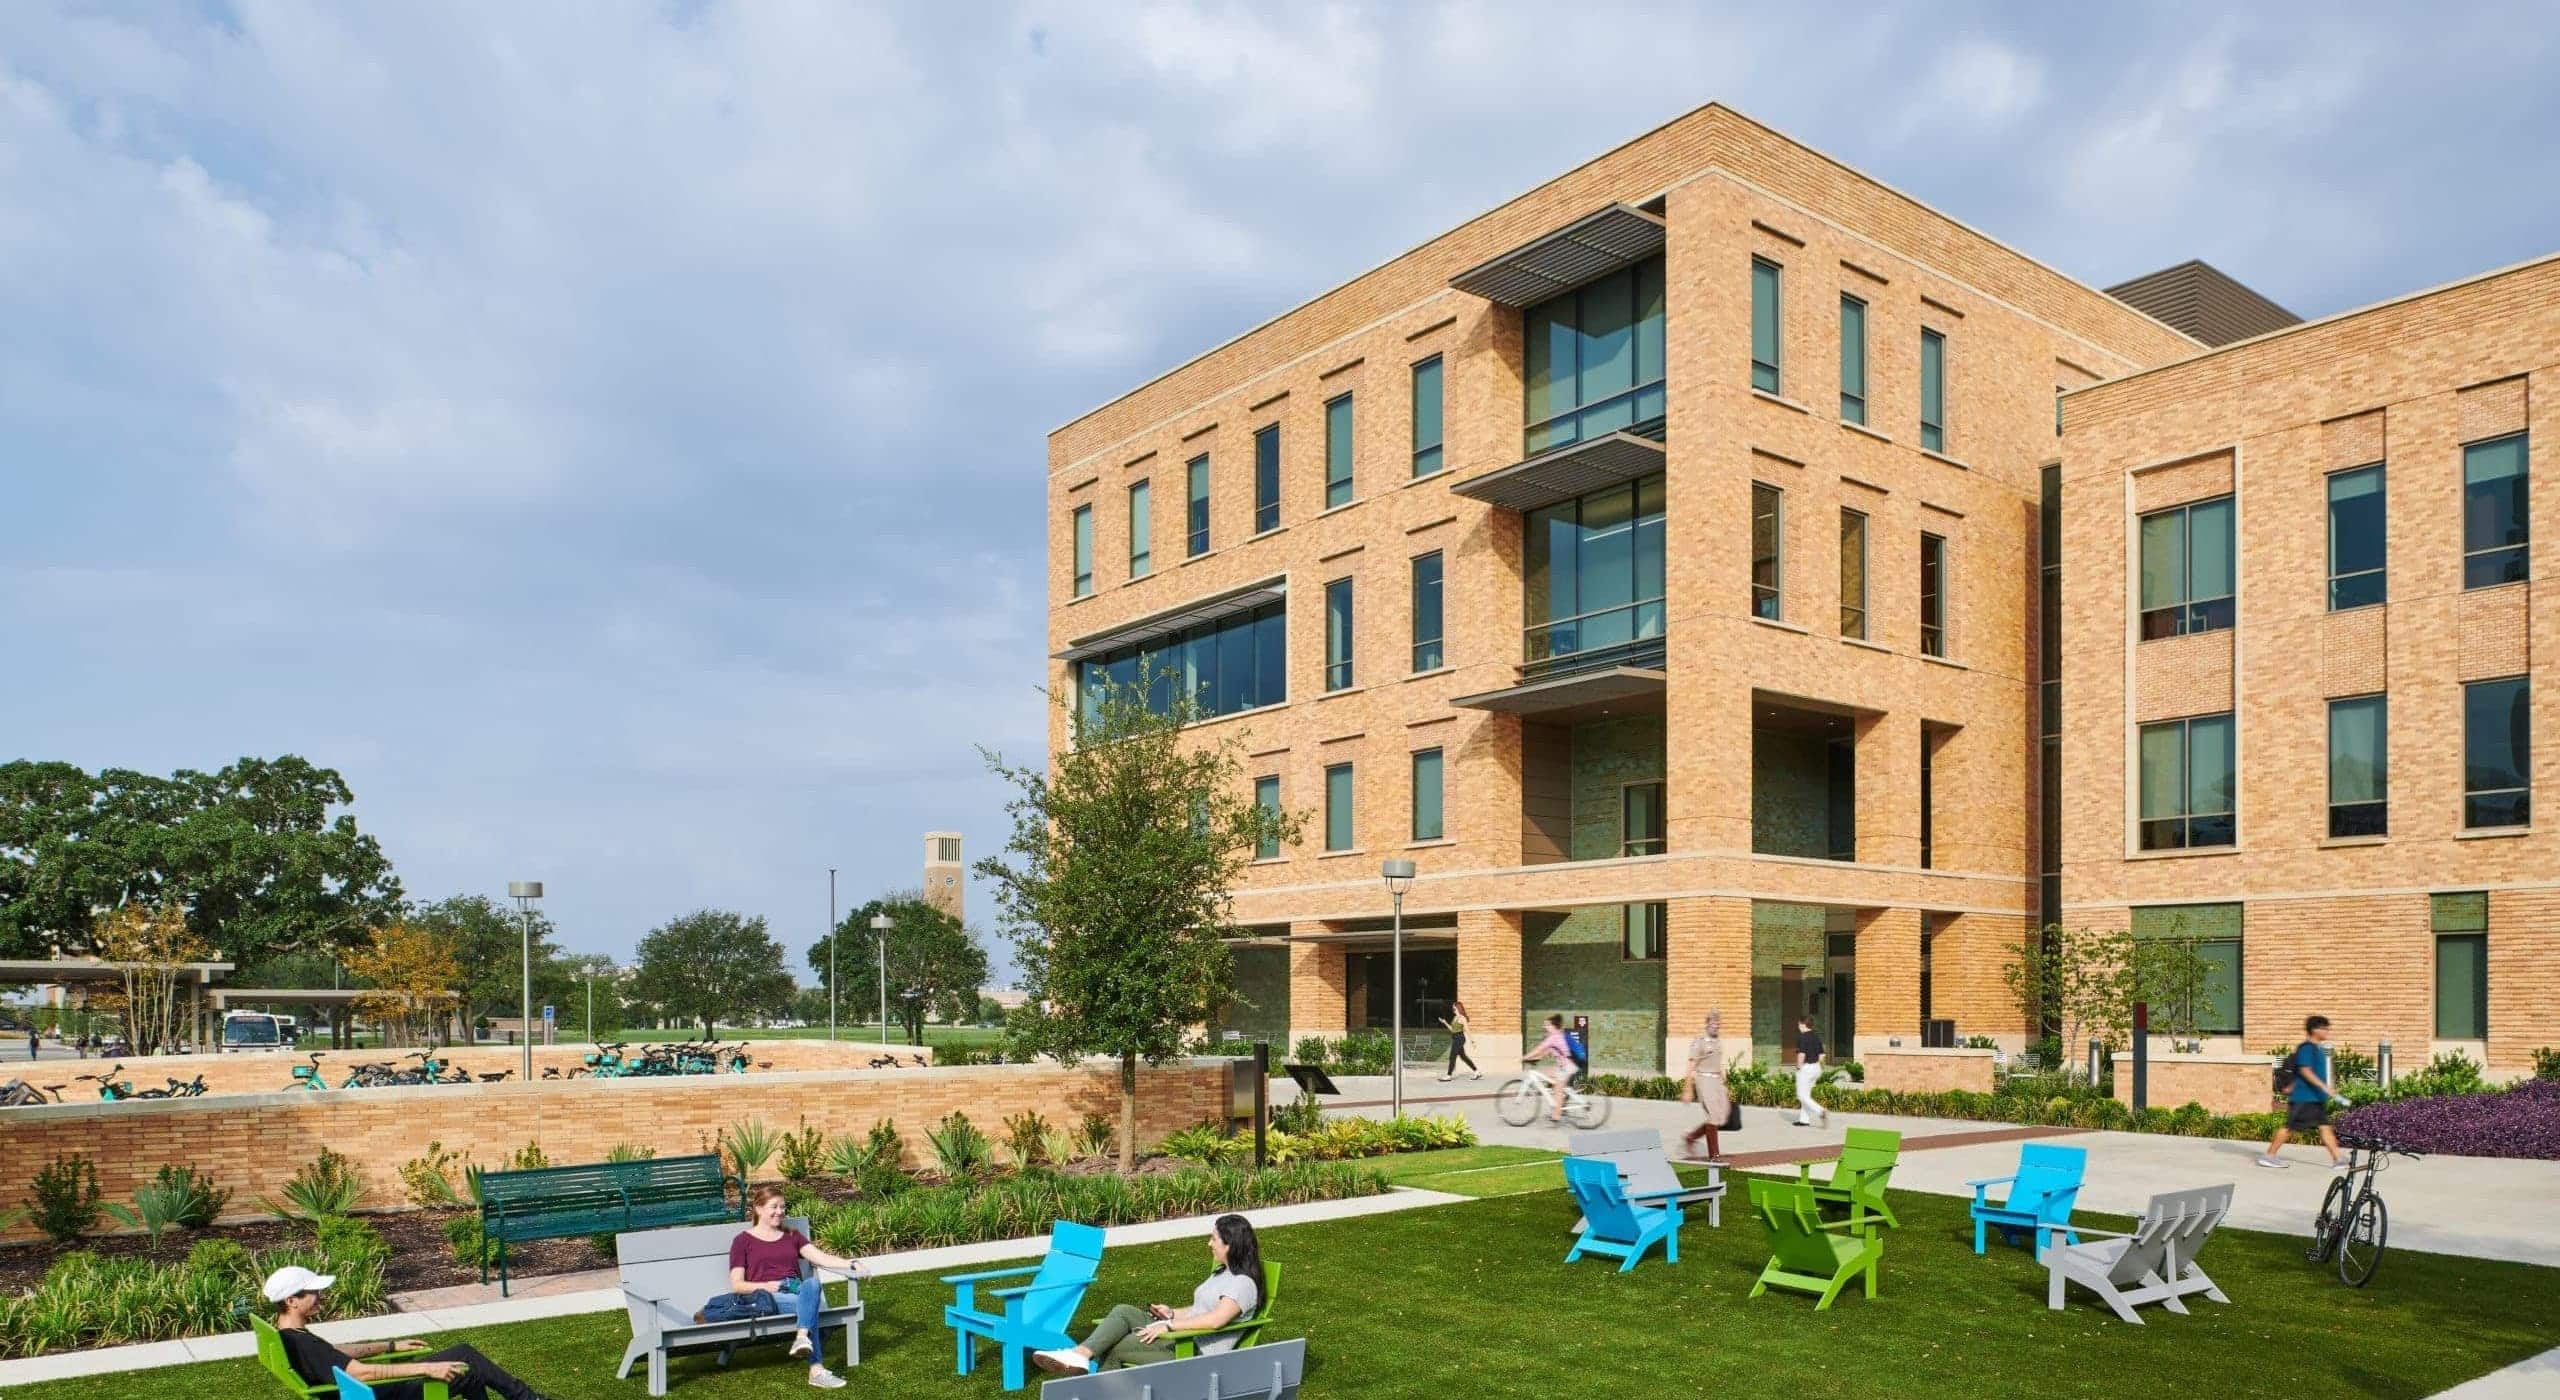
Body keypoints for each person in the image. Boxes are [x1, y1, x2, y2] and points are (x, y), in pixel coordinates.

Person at [267, 1266, 548, 1400]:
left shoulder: (290, 1334)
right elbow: (358, 1372)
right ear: (292, 1301)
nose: (319, 1296)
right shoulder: (303, 1343)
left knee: (464, 1358)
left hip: (361, 1392)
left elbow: (337, 1353)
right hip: (372, 1396)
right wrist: (428, 1367)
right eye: (313, 1292)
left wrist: (389, 1346)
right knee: (466, 1365)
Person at [1035, 1215, 1264, 1375]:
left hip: (1192, 1350)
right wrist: (1171, 1312)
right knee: (1123, 1310)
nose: (1209, 1243)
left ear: (1230, 1245)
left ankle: (1087, 1371)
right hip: (1183, 1335)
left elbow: (1215, 1320)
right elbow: (1200, 1309)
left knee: (1114, 1345)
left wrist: (1169, 1325)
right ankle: (1080, 1354)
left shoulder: (1242, 1284)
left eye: (1214, 1239)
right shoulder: (1223, 1273)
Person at [697, 1183, 862, 1389]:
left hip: (798, 1292)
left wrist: (850, 1263)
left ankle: (801, 1337)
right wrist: (768, 1286)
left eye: (782, 1207)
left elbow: (820, 1257)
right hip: (767, 1297)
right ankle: (816, 1369)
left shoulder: (792, 1236)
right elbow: (737, 1284)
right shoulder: (742, 1241)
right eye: (774, 1207)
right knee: (810, 1305)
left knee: (811, 1284)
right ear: (758, 1209)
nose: (780, 1212)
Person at [2259, 1014, 2350, 1170]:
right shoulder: (2307, 1048)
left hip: (2314, 1098)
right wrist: (2324, 1087)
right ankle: (2269, 1156)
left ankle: (2338, 1159)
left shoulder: (2317, 1049)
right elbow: (2305, 1071)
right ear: (2314, 1030)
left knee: (2324, 1126)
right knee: (2289, 1127)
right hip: (2304, 1097)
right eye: (2324, 1028)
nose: (2327, 1031)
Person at [1680, 1010, 1731, 1161]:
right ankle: (1714, 1156)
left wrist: (1724, 1082)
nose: (1716, 1027)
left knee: (1722, 1117)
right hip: (1704, 1080)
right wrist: (1687, 1088)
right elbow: (1691, 1064)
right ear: (1707, 1024)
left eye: (1718, 1025)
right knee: (1714, 1116)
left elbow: (1718, 1063)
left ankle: (1690, 1137)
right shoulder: (1699, 1042)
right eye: (1713, 1024)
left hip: (1717, 1080)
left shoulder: (1718, 1041)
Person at [1525, 1014, 1576, 1121]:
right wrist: (1536, 1058)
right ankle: (1560, 1104)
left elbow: (1539, 1049)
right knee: (1547, 1077)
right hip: (1564, 1066)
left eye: (1547, 1025)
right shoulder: (1557, 1036)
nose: (1545, 1027)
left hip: (1566, 1066)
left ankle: (1556, 1116)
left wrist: (1524, 1057)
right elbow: (1545, 1051)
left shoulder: (1553, 1037)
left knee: (1557, 1088)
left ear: (1553, 1026)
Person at [1792, 1016, 1828, 1127]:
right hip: (1816, 1068)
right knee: (1806, 1095)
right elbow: (1822, 1055)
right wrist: (1820, 1068)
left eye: (1799, 1024)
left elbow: (1801, 1054)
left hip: (1806, 1069)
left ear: (1803, 1024)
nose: (1798, 1027)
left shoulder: (1802, 1037)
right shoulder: (1816, 1037)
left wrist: (1799, 1067)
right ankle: (1804, 1120)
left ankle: (1820, 1111)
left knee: (1801, 1095)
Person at [1437, 1000, 1480, 1081]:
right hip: (1455, 1037)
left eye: (1454, 1008)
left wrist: (1472, 1041)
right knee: (1463, 1057)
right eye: (1453, 1008)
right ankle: (1477, 1072)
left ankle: (1448, 1075)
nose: (1453, 1009)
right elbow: (1453, 1030)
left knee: (1452, 1056)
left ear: (1458, 1008)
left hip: (1460, 1038)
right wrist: (1445, 1022)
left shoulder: (1462, 1018)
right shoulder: (1455, 1018)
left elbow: (1467, 1030)